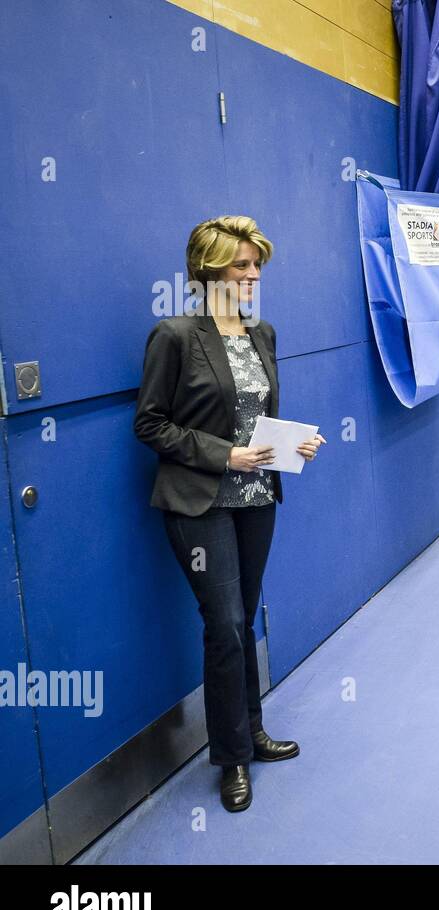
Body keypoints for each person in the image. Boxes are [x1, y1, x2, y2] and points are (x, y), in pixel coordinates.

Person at [134, 216, 326, 813]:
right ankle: (231, 759)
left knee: (243, 618)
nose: (251, 275)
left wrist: (293, 445)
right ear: (208, 270)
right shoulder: (174, 335)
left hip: (256, 500)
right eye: (240, 265)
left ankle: (253, 731)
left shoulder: (262, 333)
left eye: (256, 265)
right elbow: (151, 424)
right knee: (224, 626)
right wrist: (228, 455)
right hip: (200, 503)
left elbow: (260, 414)